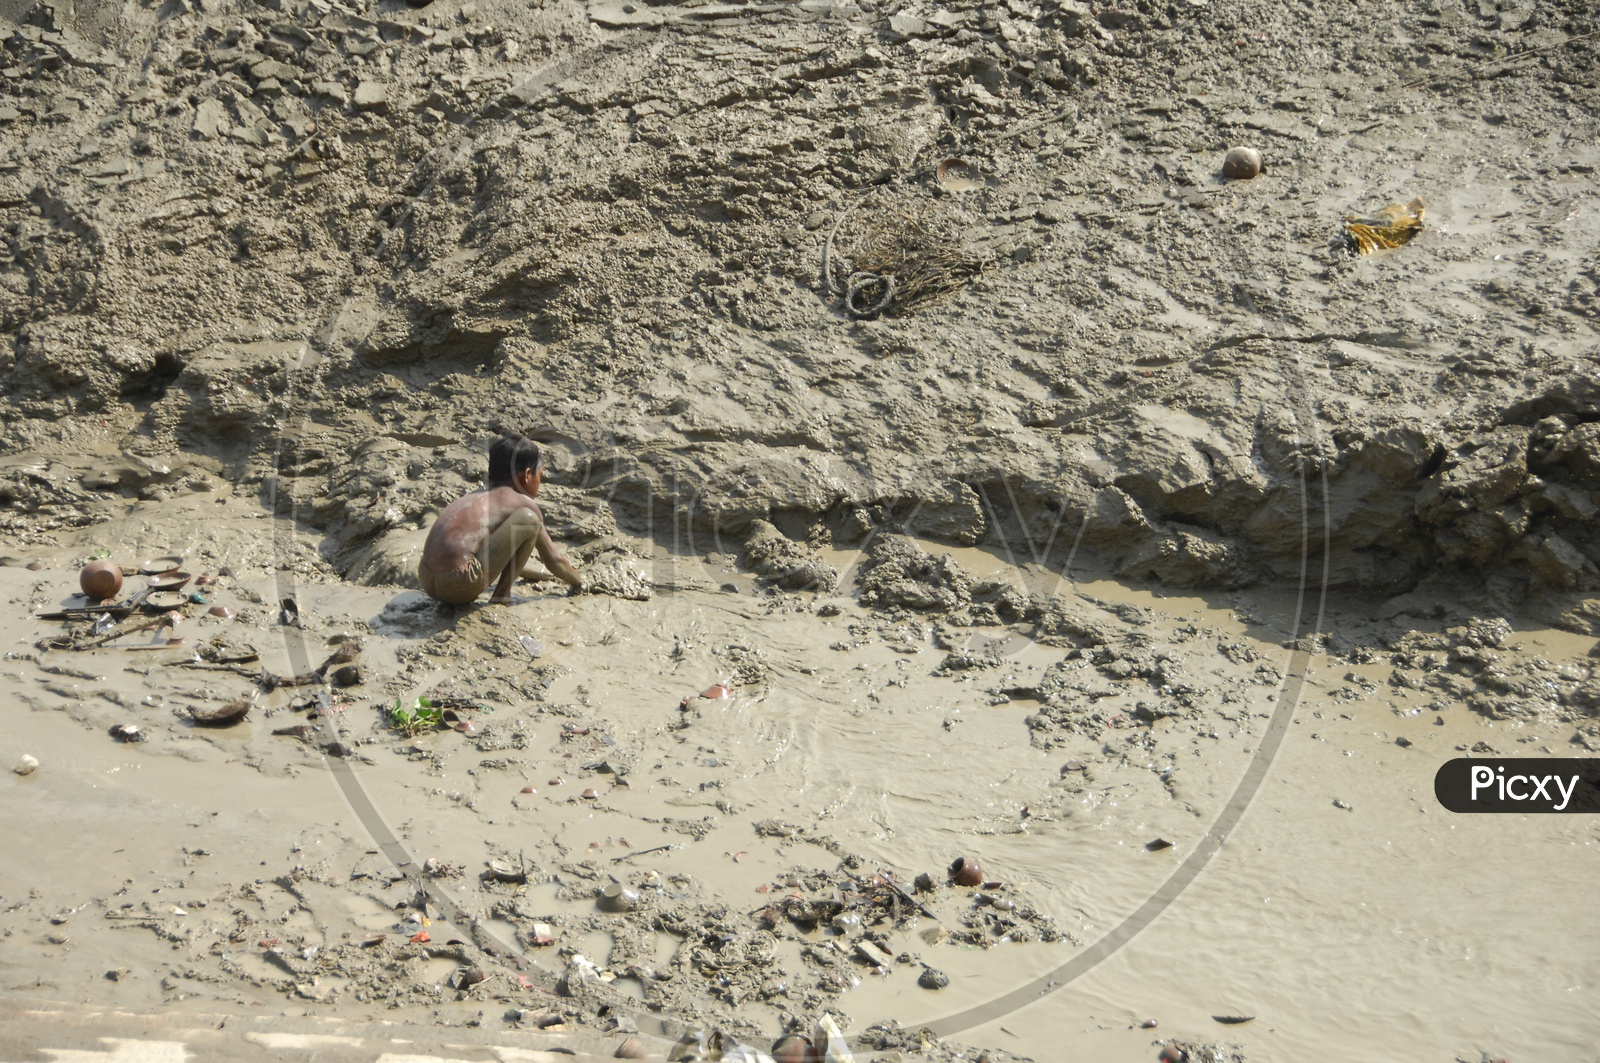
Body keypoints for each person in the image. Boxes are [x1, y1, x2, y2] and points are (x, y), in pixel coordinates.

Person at [417, 434, 582, 605]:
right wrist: (580, 581)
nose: (540, 481)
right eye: (540, 475)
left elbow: (500, 558)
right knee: (529, 520)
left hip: (427, 579)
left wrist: (543, 575)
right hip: (460, 583)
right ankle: (501, 595)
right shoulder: (523, 503)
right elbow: (553, 560)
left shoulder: (477, 498)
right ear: (526, 475)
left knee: (518, 526)